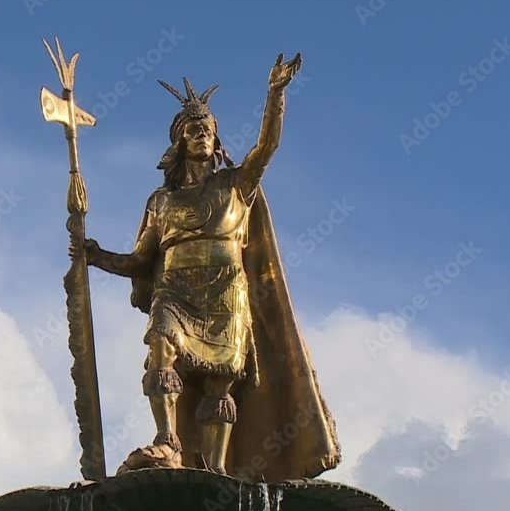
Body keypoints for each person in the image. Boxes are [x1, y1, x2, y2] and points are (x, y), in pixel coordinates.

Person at [84, 54, 341, 481]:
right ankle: (168, 441)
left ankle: (217, 470)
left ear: (216, 138)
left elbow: (268, 147)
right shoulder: (160, 202)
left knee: (218, 382)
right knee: (161, 346)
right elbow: (140, 262)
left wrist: (275, 93)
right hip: (174, 288)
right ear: (179, 142)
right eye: (192, 130)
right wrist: (95, 255)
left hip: (226, 290)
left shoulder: (236, 185)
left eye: (207, 129)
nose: (201, 134)